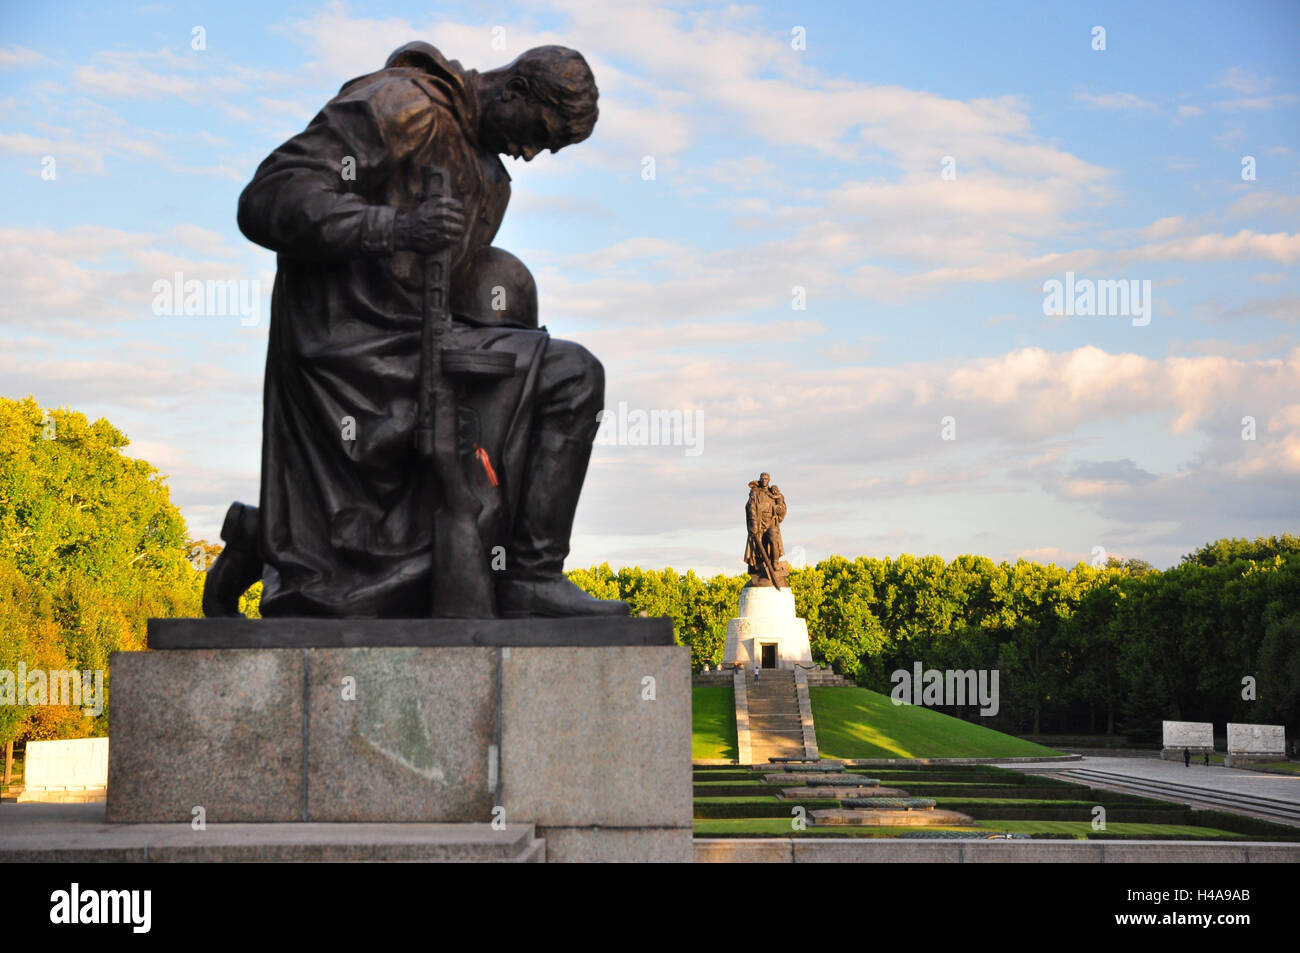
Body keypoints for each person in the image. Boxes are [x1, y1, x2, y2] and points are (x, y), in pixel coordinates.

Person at [204, 41, 627, 619]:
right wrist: (395, 226)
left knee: (558, 375)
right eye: (538, 132)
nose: (531, 152)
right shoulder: (403, 104)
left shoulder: (490, 179)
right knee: (569, 372)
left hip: (424, 342)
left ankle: (526, 574)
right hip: (345, 353)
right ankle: (525, 575)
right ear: (516, 90)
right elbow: (269, 199)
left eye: (546, 148)